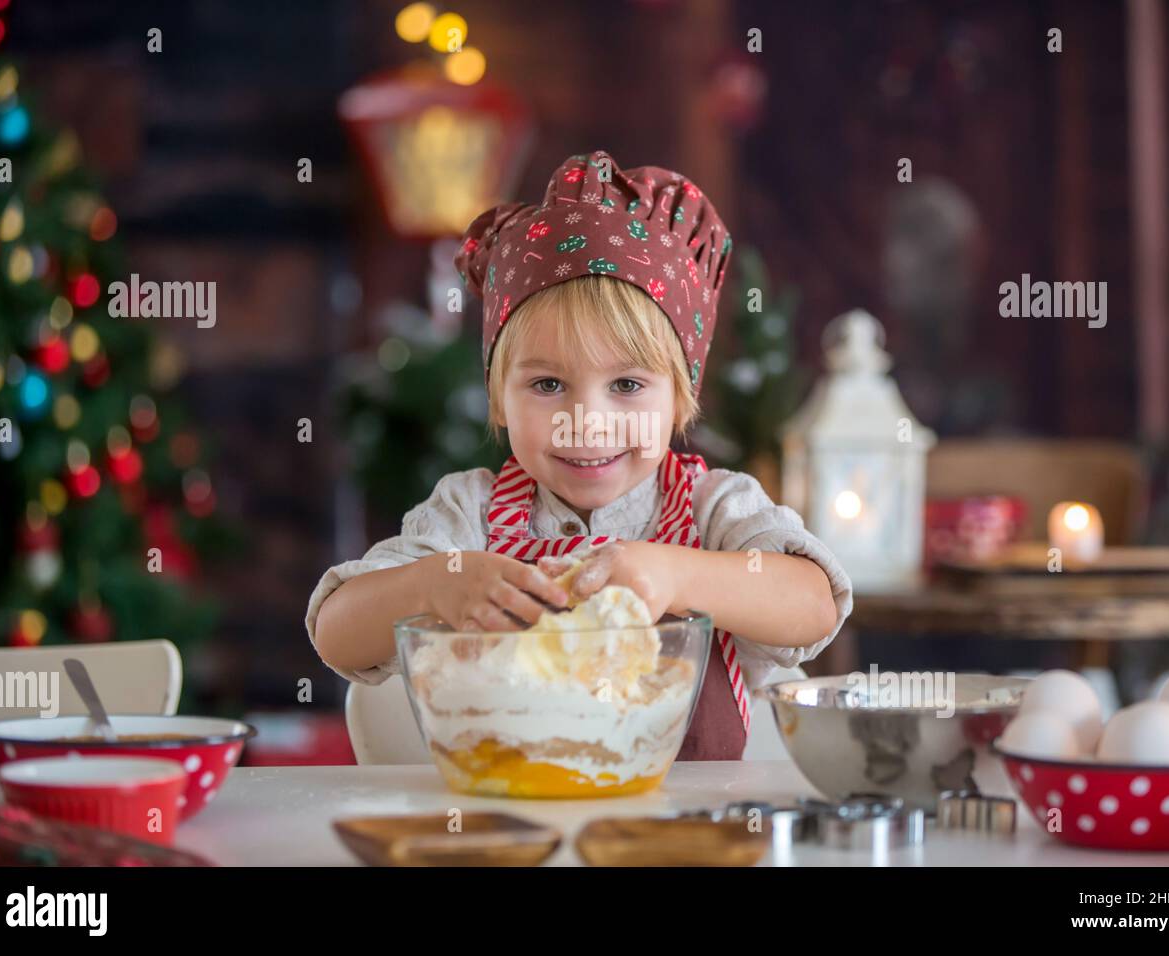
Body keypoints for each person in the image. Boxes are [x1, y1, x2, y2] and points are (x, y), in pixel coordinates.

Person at [308, 150, 853, 759]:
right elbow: (337, 634)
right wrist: (436, 585)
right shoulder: (469, 515)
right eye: (547, 386)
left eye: (626, 386)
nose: (586, 423)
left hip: (686, 833)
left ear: (680, 397)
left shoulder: (712, 508)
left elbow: (814, 605)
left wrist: (674, 573)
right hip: (514, 825)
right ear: (499, 401)